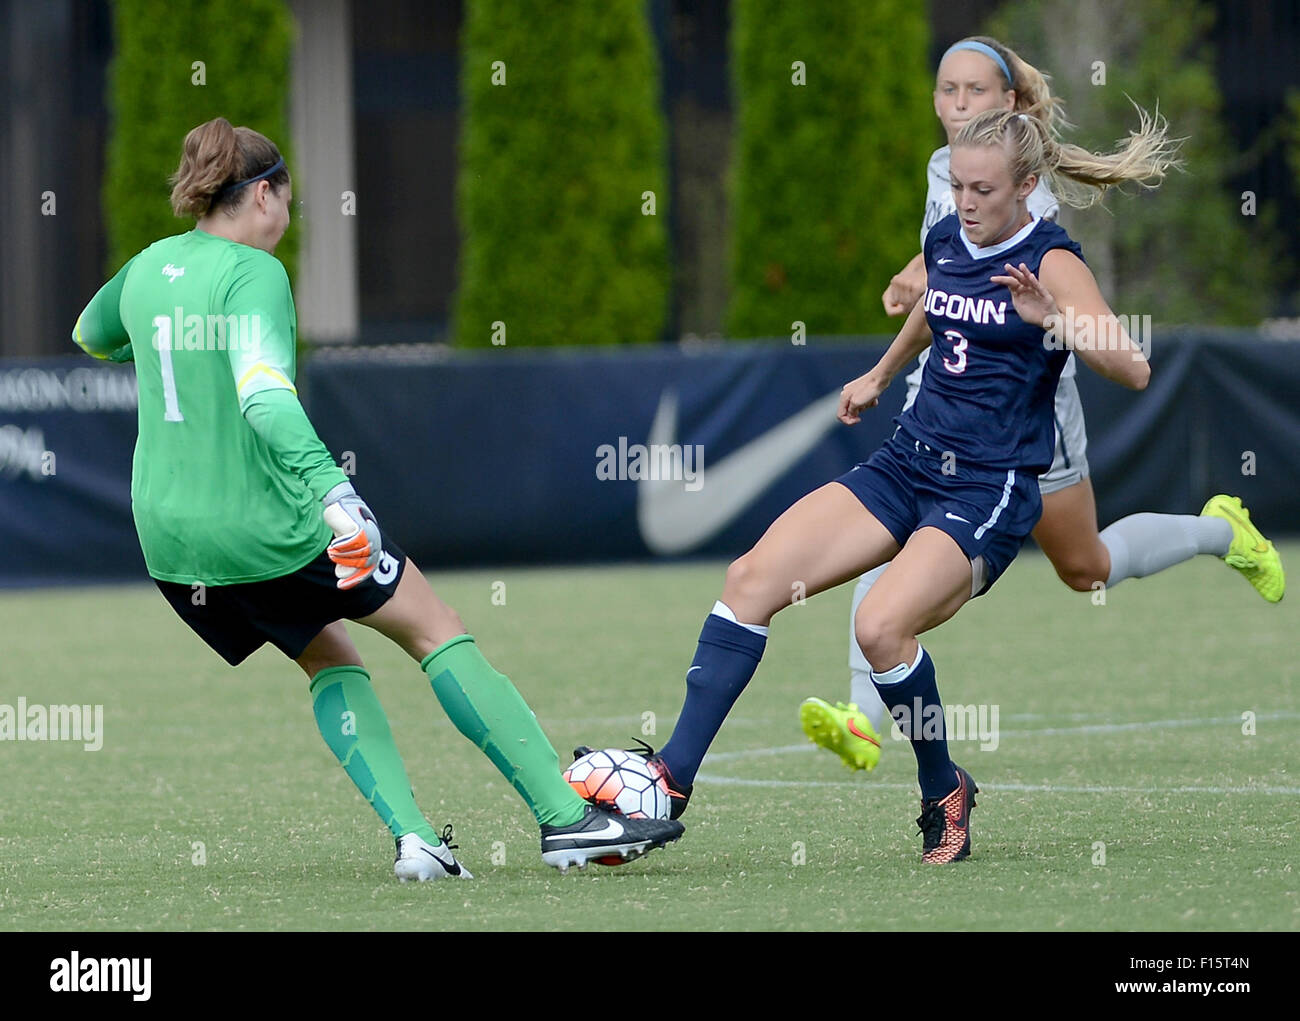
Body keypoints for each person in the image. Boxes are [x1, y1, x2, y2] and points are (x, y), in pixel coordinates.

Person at [71, 117, 682, 879]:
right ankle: (567, 821)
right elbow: (264, 397)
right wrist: (335, 489)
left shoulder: (150, 264)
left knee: (328, 654)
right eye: (287, 201)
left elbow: (91, 333)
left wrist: (166, 336)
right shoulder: (254, 274)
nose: (288, 219)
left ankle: (417, 839)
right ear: (264, 194)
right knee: (435, 627)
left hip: (169, 544)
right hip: (264, 529)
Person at [623, 102, 1190, 863]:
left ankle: (941, 788)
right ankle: (671, 780)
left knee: (880, 628)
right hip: (908, 460)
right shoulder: (951, 235)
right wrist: (881, 373)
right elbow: (934, 305)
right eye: (958, 186)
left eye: (983, 190)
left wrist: (1054, 317)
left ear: (1026, 186)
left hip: (987, 490)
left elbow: (1134, 366)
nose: (965, 202)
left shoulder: (1054, 260)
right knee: (750, 578)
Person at [800, 36, 1285, 773]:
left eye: (975, 93)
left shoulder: (1035, 210)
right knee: (894, 522)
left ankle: (1220, 533)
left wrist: (1047, 318)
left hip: (1027, 417)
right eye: (946, 90)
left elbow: (1100, 342)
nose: (957, 106)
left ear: (1013, 110)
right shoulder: (950, 171)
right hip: (943, 402)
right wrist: (906, 294)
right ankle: (863, 714)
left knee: (1085, 567)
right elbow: (943, 260)